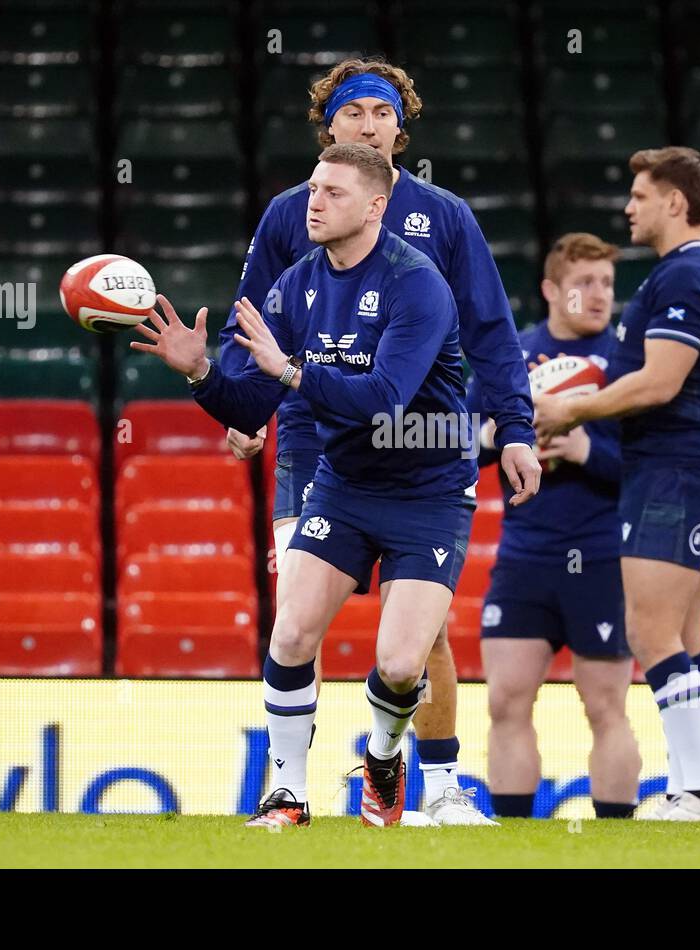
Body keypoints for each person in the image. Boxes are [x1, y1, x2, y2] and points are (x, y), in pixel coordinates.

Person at [217, 58, 539, 825]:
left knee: (418, 633)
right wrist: (247, 400)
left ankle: (442, 783)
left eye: (383, 112)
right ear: (329, 125)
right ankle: (294, 786)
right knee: (296, 614)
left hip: (421, 436)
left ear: (403, 125)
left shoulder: (444, 216)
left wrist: (518, 426)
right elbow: (251, 317)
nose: (369, 123)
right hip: (313, 432)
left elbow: (492, 329)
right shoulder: (291, 213)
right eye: (354, 111)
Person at [133, 143, 480, 828]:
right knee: (290, 631)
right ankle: (286, 795)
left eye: (334, 193)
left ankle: (384, 758)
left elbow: (385, 398)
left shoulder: (419, 284)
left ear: (377, 207)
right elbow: (249, 407)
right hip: (344, 483)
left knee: (402, 663)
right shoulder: (293, 285)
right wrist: (201, 374)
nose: (314, 202)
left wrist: (293, 375)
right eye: (314, 189)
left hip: (430, 491)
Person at [534, 147, 700, 821]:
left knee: (650, 631)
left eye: (640, 195)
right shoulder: (685, 274)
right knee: (681, 632)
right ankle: (693, 786)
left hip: (671, 469)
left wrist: (572, 407)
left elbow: (660, 382)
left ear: (675, 203)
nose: (628, 206)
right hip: (674, 468)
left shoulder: (684, 277)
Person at [474, 233, 642, 821]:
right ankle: (515, 837)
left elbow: (648, 475)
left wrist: (583, 449)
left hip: (599, 557)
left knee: (605, 707)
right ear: (551, 290)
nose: (599, 297)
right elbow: (461, 445)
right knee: (505, 701)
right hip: (523, 556)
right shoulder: (510, 358)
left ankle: (614, 844)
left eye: (607, 285)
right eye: (585, 284)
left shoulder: (629, 363)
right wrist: (501, 438)